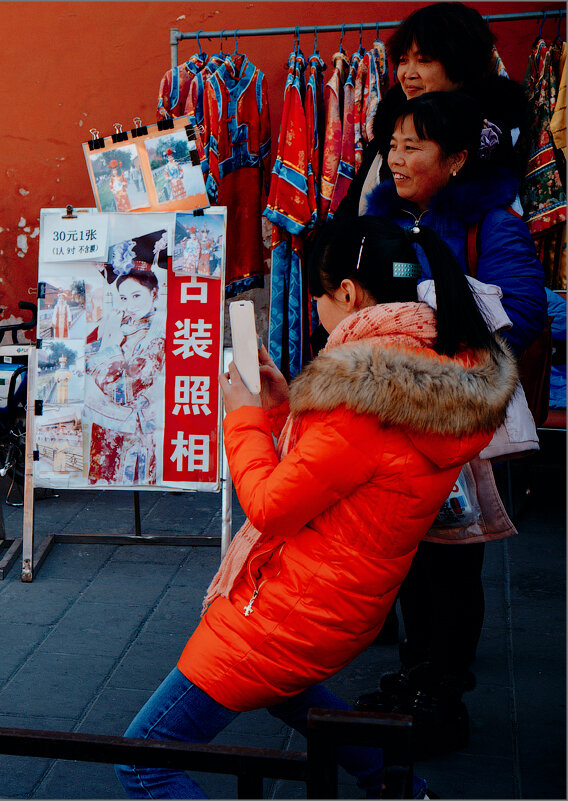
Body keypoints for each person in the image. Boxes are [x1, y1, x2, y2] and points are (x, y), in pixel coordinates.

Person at [115, 214, 515, 799]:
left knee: (144, 758)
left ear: (348, 294)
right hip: (342, 598)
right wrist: (280, 410)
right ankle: (400, 787)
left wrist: (244, 414)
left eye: (320, 299)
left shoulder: (362, 396)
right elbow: (326, 478)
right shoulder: (434, 368)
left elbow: (273, 507)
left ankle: (397, 784)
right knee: (286, 690)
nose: (318, 313)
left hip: (292, 610)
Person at [356, 90, 547, 750]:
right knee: (406, 554)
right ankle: (414, 673)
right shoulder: (387, 218)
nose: (396, 158)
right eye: (393, 144)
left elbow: (523, 311)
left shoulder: (488, 223)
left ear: (458, 159)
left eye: (414, 146)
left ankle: (445, 695)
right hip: (396, 418)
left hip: (456, 425)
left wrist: (430, 328)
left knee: (454, 561)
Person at [336, 2, 527, 218]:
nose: (408, 73)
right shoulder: (390, 126)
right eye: (402, 60)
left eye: (423, 60)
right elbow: (350, 212)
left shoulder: (491, 137)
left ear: (460, 63)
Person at [84, 234, 167, 486]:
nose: (129, 305)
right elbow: (86, 357)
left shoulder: (159, 332)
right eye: (124, 298)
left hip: (136, 430)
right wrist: (105, 363)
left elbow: (127, 387)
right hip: (105, 423)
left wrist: (105, 355)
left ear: (154, 294)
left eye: (137, 296)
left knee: (132, 476)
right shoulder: (112, 321)